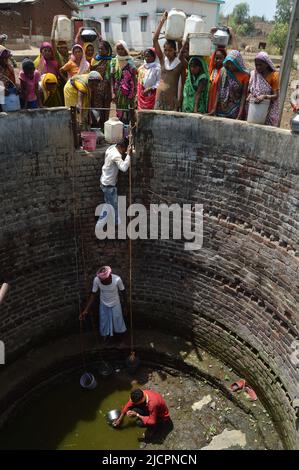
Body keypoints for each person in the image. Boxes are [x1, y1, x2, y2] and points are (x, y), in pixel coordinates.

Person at [80, 266, 127, 341]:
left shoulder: (117, 279)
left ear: (109, 276)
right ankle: (106, 336)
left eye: (104, 280)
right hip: (103, 303)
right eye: (101, 280)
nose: (102, 281)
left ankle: (120, 336)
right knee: (104, 321)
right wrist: (86, 310)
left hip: (115, 302)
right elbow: (93, 294)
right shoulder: (96, 280)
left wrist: (125, 306)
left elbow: (123, 292)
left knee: (118, 320)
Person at [153, 11, 185, 111]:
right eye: (165, 50)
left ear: (174, 50)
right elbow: (155, 40)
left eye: (170, 50)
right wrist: (162, 21)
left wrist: (180, 99)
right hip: (159, 97)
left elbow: (183, 83)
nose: (167, 52)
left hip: (171, 99)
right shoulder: (163, 60)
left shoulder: (179, 63)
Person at [100, 138, 132, 224]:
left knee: (108, 206)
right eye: (124, 150)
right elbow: (124, 168)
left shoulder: (111, 148)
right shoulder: (116, 155)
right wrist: (128, 155)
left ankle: (99, 226)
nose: (124, 152)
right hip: (109, 185)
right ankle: (117, 224)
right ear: (121, 147)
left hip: (104, 181)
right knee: (114, 207)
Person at [213, 50, 249, 120]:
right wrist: (214, 108)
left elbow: (243, 95)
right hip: (221, 107)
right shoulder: (223, 71)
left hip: (235, 109)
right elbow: (219, 90)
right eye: (228, 63)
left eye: (232, 64)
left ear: (237, 63)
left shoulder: (245, 76)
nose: (229, 66)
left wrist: (240, 114)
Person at [247, 51, 280, 127]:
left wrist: (264, 96)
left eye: (260, 65)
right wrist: (250, 95)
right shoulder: (255, 74)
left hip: (269, 108)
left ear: (266, 64)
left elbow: (276, 95)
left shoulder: (274, 75)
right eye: (256, 65)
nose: (258, 67)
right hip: (255, 106)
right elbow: (251, 90)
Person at [111, 40, 137, 123]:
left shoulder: (130, 61)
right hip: (118, 91)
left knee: (129, 111)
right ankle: (120, 130)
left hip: (129, 91)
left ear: (126, 49)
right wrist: (112, 92)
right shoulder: (114, 61)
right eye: (118, 49)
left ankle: (129, 130)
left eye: (122, 49)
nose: (120, 51)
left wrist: (135, 90)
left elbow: (134, 76)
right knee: (119, 111)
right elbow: (112, 78)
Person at [91, 41, 113, 128]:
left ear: (107, 50)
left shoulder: (111, 61)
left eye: (102, 49)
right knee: (96, 110)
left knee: (106, 110)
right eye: (99, 48)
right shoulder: (95, 60)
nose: (100, 50)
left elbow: (111, 77)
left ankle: (105, 129)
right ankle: (96, 128)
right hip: (96, 90)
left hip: (107, 89)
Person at [208, 47, 227, 114]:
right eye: (216, 58)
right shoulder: (213, 70)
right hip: (210, 98)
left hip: (219, 101)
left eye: (220, 58)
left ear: (225, 58)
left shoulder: (224, 71)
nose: (218, 60)